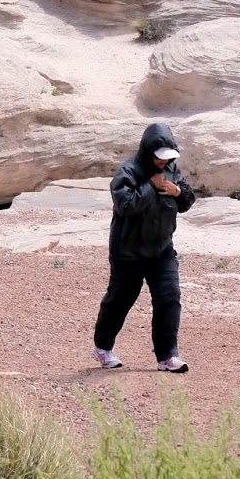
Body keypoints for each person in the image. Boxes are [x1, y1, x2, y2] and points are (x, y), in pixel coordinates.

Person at [93, 122, 195, 372]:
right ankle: (102, 347)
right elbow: (125, 205)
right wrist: (151, 185)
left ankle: (167, 357)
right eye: (159, 158)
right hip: (129, 252)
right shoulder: (128, 171)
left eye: (167, 158)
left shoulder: (172, 170)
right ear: (148, 151)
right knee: (120, 300)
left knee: (169, 298)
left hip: (162, 250)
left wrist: (176, 190)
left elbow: (188, 200)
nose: (164, 162)